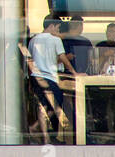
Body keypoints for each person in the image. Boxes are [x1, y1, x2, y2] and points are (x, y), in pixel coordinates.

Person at [26, 16, 77, 145]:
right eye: (58, 27)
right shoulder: (56, 40)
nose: (58, 31)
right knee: (55, 105)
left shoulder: (33, 41)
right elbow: (63, 58)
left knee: (43, 106)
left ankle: (45, 137)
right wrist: (74, 72)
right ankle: (36, 128)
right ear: (52, 25)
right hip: (49, 78)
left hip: (36, 78)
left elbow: (31, 61)